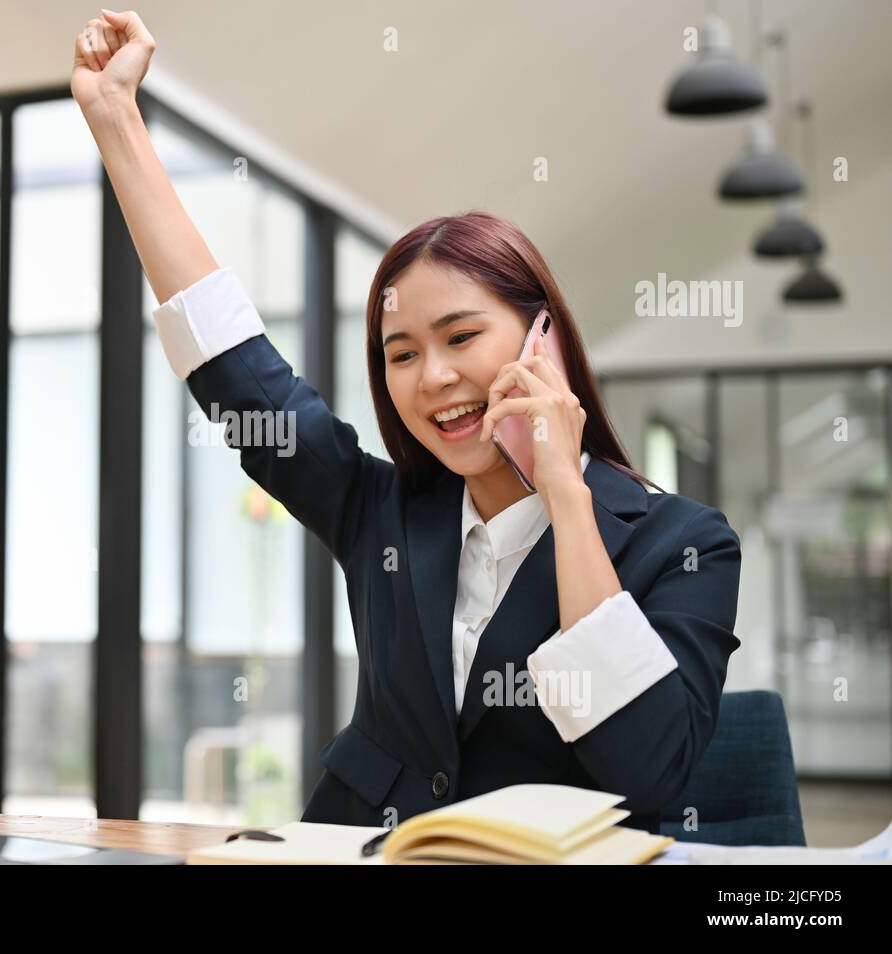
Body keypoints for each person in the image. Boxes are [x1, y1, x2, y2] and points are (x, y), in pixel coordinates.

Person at [72, 9, 742, 832]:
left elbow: (650, 773)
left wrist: (567, 497)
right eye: (400, 353)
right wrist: (117, 122)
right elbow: (242, 379)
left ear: (545, 340)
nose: (434, 379)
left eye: (462, 337)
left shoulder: (684, 543)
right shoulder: (381, 512)